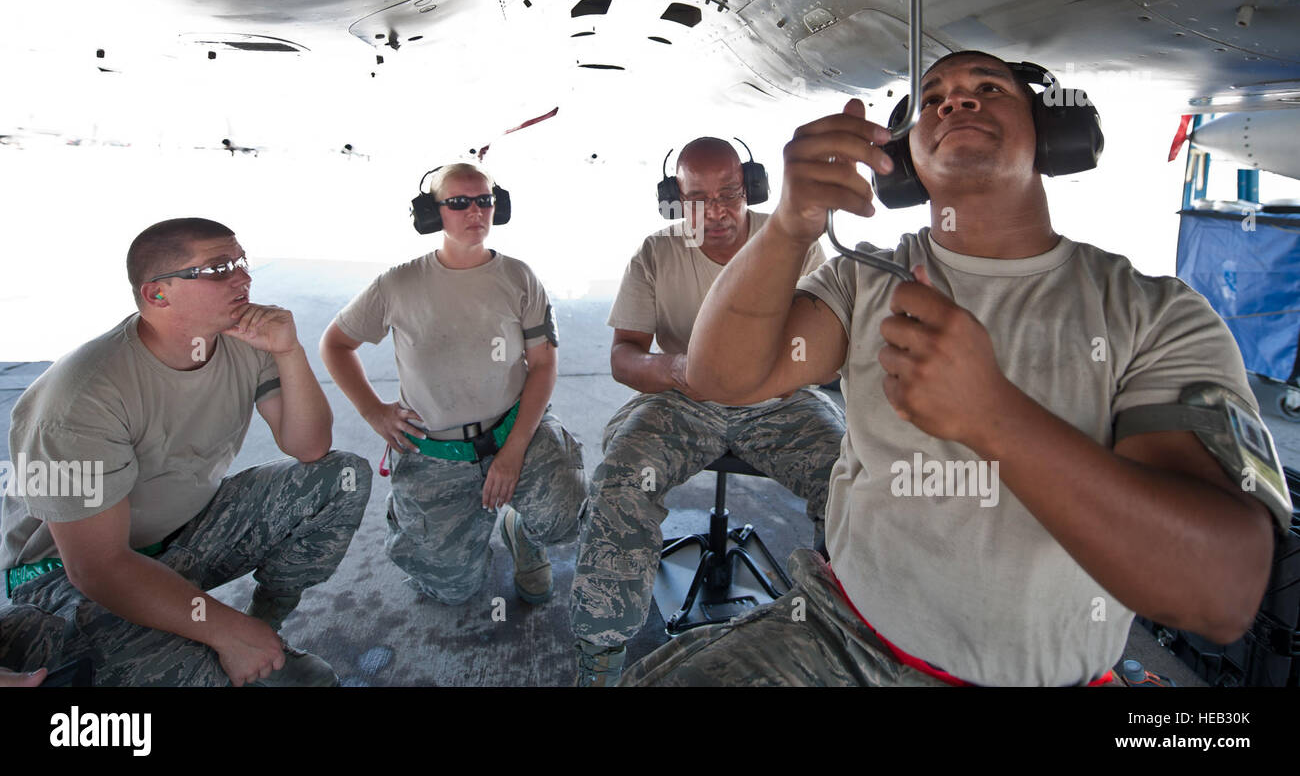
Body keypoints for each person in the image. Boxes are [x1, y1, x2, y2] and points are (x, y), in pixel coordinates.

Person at [619, 51, 1280, 687]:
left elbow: (1220, 595)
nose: (956, 99)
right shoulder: (862, 279)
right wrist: (789, 228)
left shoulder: (1155, 314)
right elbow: (720, 378)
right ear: (904, 161)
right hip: (842, 636)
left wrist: (993, 418)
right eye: (932, 99)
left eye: (988, 89)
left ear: (1049, 130)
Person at [0, 218, 370, 687]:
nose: (243, 278)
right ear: (157, 295)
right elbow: (97, 567)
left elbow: (310, 446)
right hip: (64, 580)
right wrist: (225, 630)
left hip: (179, 536)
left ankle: (263, 637)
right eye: (217, 269)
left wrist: (289, 350)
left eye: (240, 262)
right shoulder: (81, 398)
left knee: (339, 478)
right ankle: (227, 648)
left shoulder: (242, 341)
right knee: (194, 673)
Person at [570, 137, 847, 686]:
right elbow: (625, 355)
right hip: (682, 400)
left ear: (753, 188)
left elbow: (828, 354)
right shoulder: (657, 251)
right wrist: (675, 371)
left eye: (730, 194)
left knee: (849, 480)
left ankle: (838, 632)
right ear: (674, 198)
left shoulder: (795, 241)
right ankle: (600, 657)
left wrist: (777, 371)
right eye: (696, 198)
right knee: (620, 483)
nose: (715, 212)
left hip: (779, 400)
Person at [320, 163, 585, 610]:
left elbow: (543, 364)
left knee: (563, 520)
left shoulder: (519, 277)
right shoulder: (398, 283)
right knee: (451, 589)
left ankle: (520, 529)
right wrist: (373, 411)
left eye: (484, 200)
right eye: (458, 202)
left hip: (512, 429)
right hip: (435, 451)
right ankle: (421, 520)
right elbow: (336, 343)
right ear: (432, 213)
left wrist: (514, 450)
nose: (474, 211)